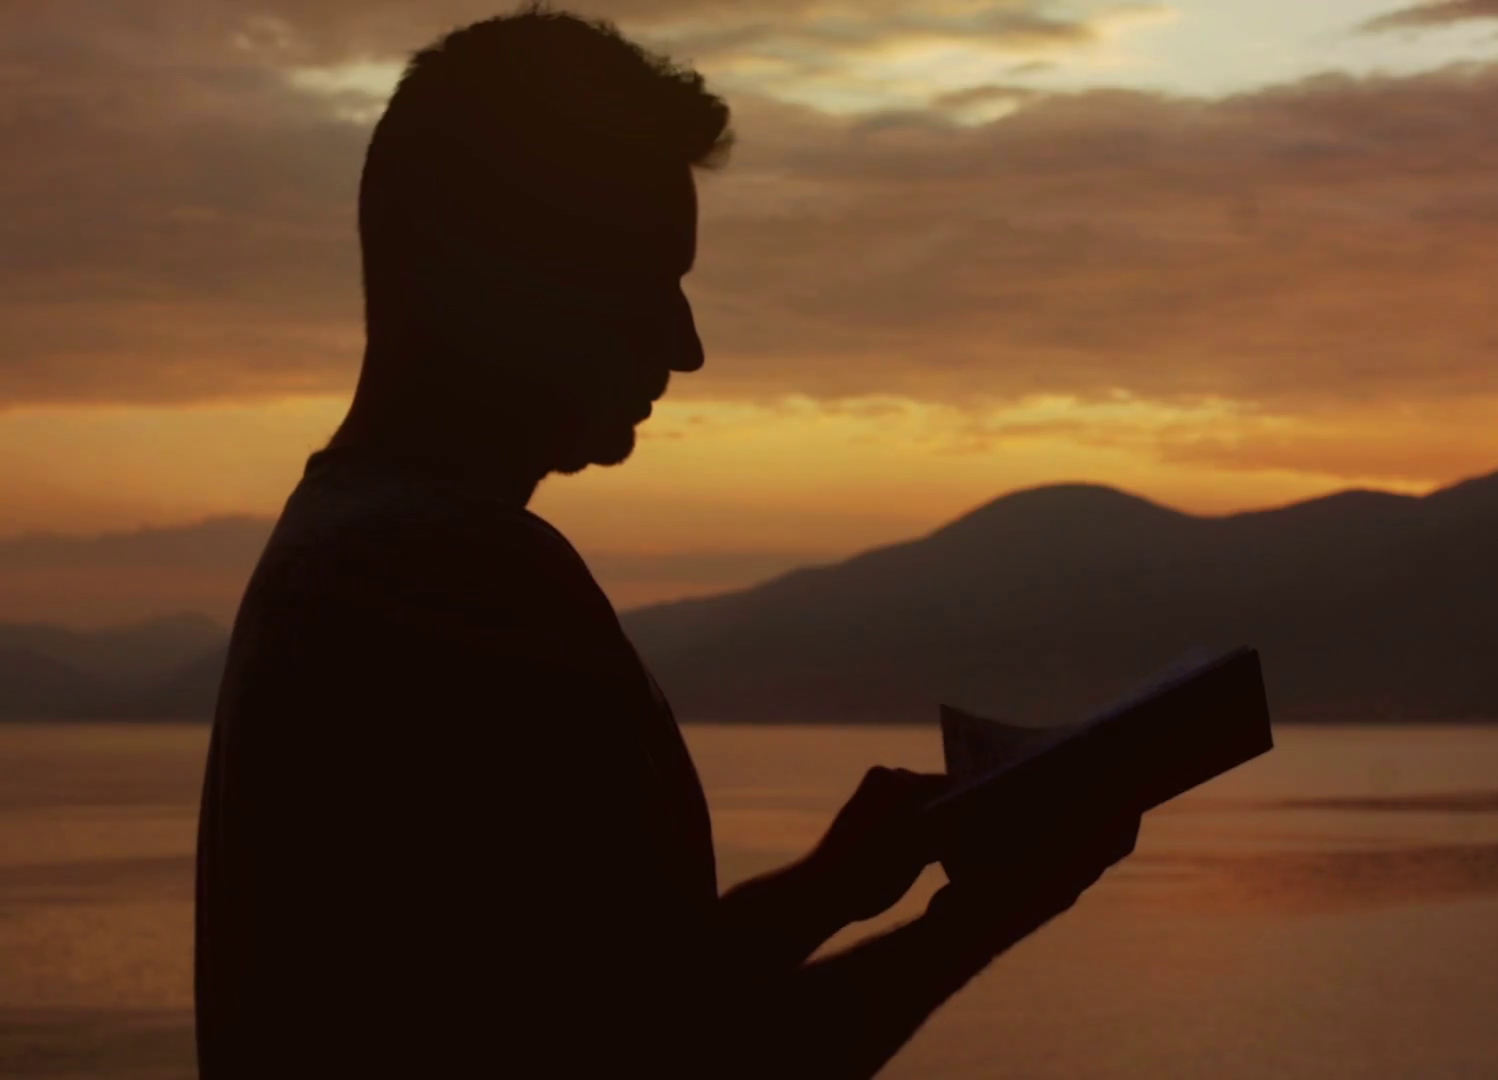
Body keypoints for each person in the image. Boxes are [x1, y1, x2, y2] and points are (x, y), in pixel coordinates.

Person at [193, 8, 1139, 1078]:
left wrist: (833, 885)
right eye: (651, 278)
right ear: (508, 274)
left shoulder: (359, 554)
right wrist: (986, 917)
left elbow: (608, 1006)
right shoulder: (447, 582)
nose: (685, 345)